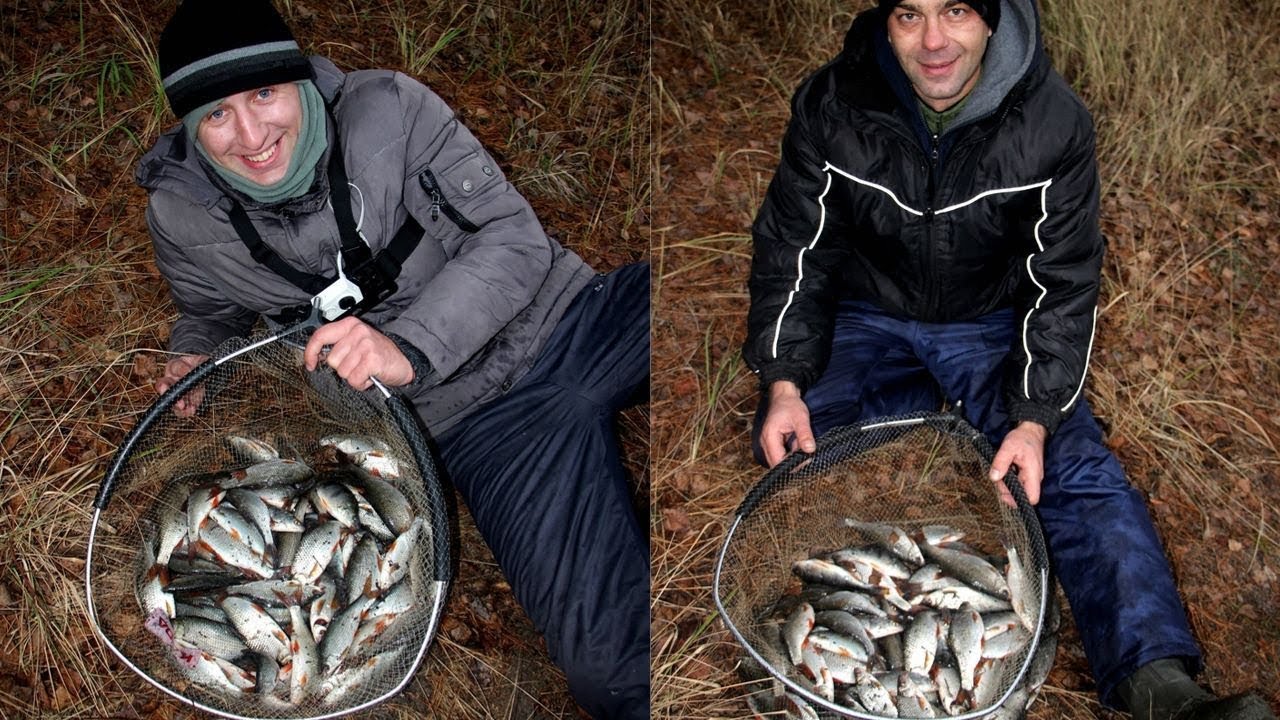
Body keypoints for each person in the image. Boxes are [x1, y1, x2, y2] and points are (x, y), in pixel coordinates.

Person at [743, 1, 1275, 718]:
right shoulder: (832, 102)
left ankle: (1157, 680)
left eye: (957, 10)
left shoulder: (1054, 122)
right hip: (867, 313)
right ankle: (829, 656)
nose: (934, 42)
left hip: (991, 320)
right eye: (909, 15)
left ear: (991, 19)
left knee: (1071, 465)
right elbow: (794, 250)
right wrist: (784, 380)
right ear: (884, 20)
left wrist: (1032, 417)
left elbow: (1064, 284)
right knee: (799, 450)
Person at [134, 1, 649, 717]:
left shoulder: (390, 112)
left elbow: (512, 238)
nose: (252, 136)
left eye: (263, 94)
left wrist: (408, 345)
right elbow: (212, 310)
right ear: (189, 126)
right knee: (616, 677)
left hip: (570, 318)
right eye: (216, 114)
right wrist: (192, 354)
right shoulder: (180, 212)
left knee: (717, 306)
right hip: (482, 430)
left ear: (297, 81)